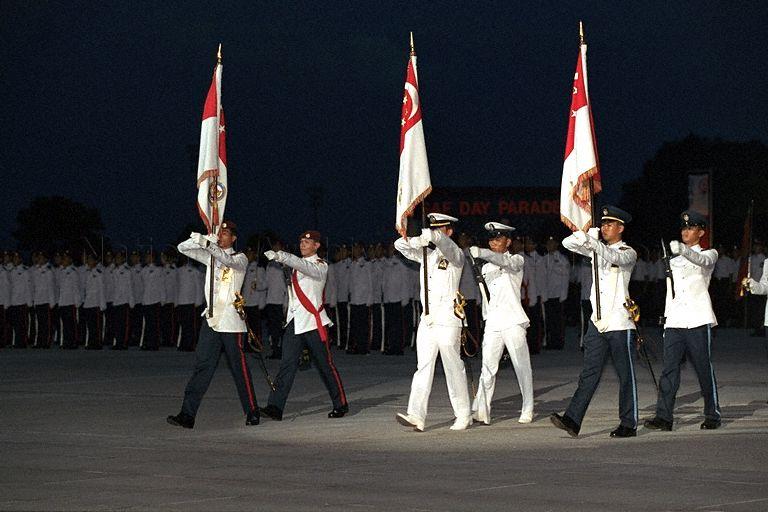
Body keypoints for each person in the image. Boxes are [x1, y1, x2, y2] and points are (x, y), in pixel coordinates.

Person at [551, 205, 639, 438]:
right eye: (604, 224)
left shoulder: (628, 252)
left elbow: (614, 257)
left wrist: (594, 244)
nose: (605, 228)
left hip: (620, 322)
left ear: (621, 228)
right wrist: (584, 233)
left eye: (610, 224)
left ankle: (628, 423)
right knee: (589, 373)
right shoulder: (596, 250)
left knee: (625, 375)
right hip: (597, 321)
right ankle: (573, 419)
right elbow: (567, 244)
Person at [167, 221, 260, 428]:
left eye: (225, 233)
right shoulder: (210, 256)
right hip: (211, 320)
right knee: (202, 367)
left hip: (231, 322)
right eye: (220, 232)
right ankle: (187, 414)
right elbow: (182, 249)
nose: (221, 236)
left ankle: (252, 410)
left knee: (239, 369)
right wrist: (200, 239)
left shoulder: (240, 258)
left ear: (234, 238)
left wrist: (210, 246)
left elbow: (225, 258)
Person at [259, 230, 349, 421]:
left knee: (326, 365)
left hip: (314, 322)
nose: (302, 244)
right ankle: (275, 406)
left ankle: (341, 403)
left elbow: (304, 266)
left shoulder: (321, 266)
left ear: (317, 246)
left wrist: (282, 255)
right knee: (287, 365)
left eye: (307, 242)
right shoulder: (296, 267)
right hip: (296, 322)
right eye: (301, 241)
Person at [644, 211, 722, 432]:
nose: (685, 231)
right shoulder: (673, 260)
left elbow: (701, 260)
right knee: (669, 371)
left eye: (690, 228)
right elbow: (671, 292)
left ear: (701, 232)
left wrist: (684, 250)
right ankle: (664, 416)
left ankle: (712, 414)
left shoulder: (710, 254)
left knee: (703, 369)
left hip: (698, 320)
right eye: (683, 228)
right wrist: (666, 321)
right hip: (675, 322)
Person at [394, 213, 472, 432]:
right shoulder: (426, 256)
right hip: (428, 320)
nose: (437, 232)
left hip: (448, 320)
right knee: (423, 367)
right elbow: (400, 245)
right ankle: (416, 415)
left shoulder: (456, 254)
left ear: (449, 231)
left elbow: (446, 246)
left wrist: (436, 237)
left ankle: (463, 413)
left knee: (453, 367)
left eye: (441, 229)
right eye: (434, 228)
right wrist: (413, 236)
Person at [469, 222, 534, 425]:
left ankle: (528, 407)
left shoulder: (516, 260)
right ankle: (482, 409)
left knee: (521, 366)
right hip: (494, 321)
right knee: (487, 367)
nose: (493, 243)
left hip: (513, 320)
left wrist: (481, 253)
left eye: (498, 239)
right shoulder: (486, 267)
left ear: (508, 242)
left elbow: (503, 262)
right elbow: (486, 296)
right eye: (491, 240)